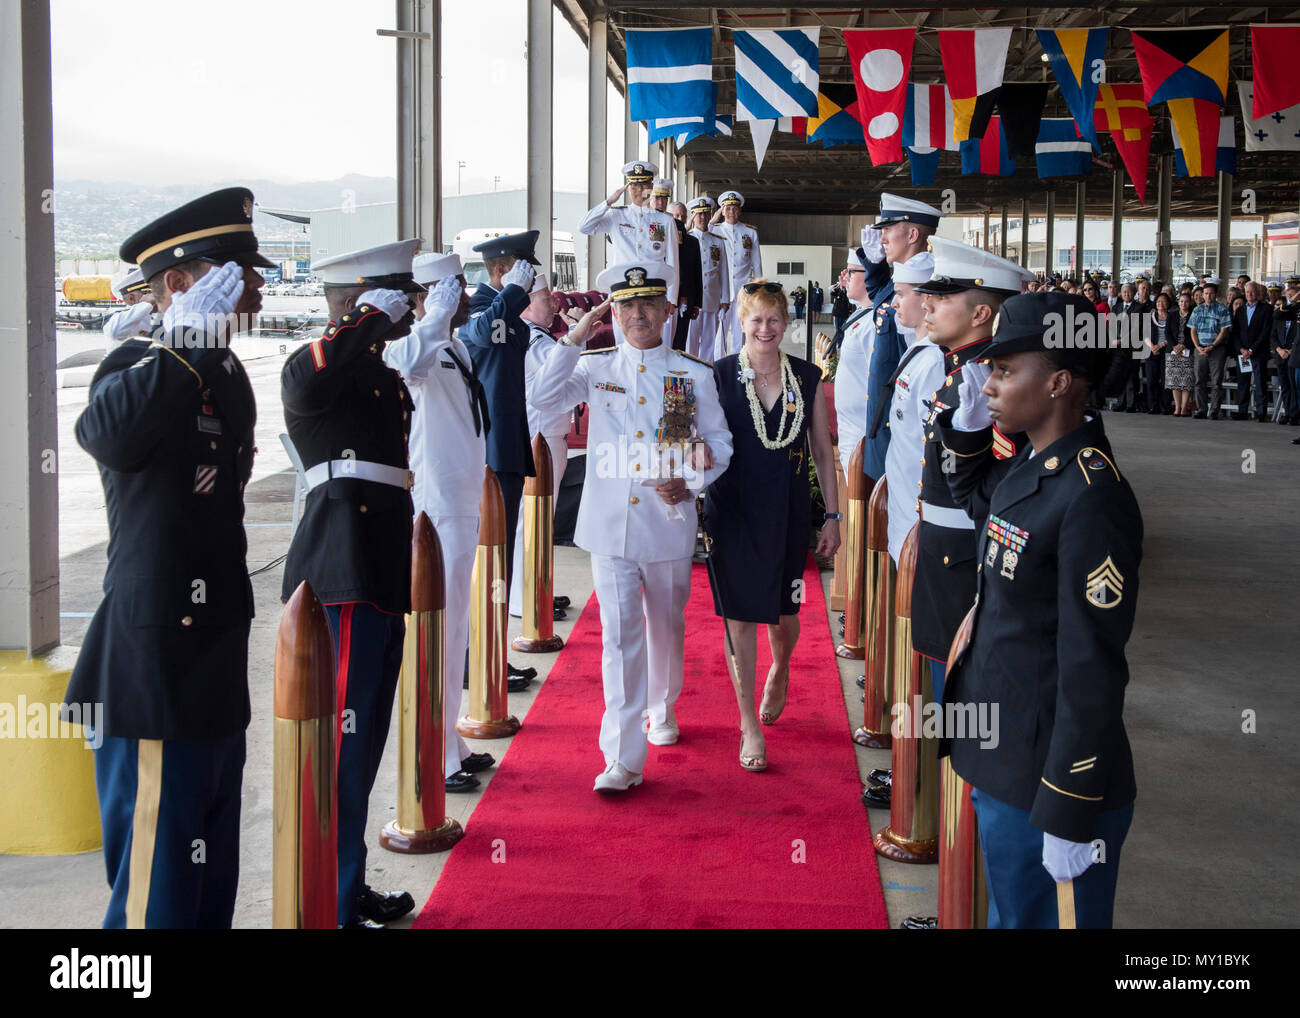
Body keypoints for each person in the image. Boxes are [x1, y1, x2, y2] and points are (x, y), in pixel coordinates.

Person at [65, 187, 268, 928]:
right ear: (181, 284)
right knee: (157, 888)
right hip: (153, 664)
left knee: (207, 872)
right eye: (236, 271)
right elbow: (111, 437)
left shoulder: (219, 368)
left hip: (210, 657)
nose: (254, 286)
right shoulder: (137, 361)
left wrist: (193, 347)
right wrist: (176, 340)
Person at [937, 291, 1142, 929]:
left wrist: (1070, 804)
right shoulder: (1033, 465)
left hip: (1049, 782)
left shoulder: (1091, 495)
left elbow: (1091, 665)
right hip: (1008, 760)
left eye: (1004, 370)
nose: (989, 383)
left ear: (1057, 382)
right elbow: (979, 508)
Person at [530, 262, 733, 790]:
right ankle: (621, 757)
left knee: (665, 625)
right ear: (612, 312)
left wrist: (691, 482)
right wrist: (576, 333)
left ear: (668, 311)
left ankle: (662, 709)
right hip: (608, 527)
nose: (637, 315)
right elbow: (543, 396)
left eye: (648, 304)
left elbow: (718, 443)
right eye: (626, 305)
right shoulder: (594, 367)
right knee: (618, 637)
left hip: (667, 521)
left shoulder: (693, 373)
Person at [282, 239, 423, 929]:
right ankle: (330, 902)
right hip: (341, 573)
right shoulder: (314, 364)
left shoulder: (382, 377)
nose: (410, 306)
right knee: (340, 748)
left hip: (379, 570)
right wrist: (363, 320)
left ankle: (347, 881)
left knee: (361, 748)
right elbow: (310, 387)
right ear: (357, 300)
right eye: (396, 295)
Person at [703, 280, 840, 771]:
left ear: (787, 323)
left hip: (788, 509)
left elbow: (823, 451)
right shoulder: (716, 375)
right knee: (738, 616)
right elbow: (694, 440)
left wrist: (833, 514)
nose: (765, 328)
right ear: (741, 322)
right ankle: (748, 725)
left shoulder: (806, 375)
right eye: (756, 319)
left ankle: (780, 668)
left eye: (774, 319)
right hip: (733, 510)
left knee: (785, 613)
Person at [381, 252, 497, 796]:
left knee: (456, 630)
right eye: (450, 287)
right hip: (437, 504)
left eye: (459, 285)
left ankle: (448, 741)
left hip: (462, 497)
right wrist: (430, 317)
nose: (463, 293)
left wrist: (441, 321)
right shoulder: (416, 344)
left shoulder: (452, 344)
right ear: (425, 295)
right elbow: (404, 363)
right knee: (438, 630)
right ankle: (433, 752)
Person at [459, 230, 543, 689]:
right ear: (501, 269)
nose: (535, 277)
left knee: (501, 562)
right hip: (490, 453)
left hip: (508, 448)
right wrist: (513, 291)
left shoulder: (507, 313)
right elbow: (479, 335)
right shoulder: (479, 310)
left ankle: (489, 654)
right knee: (489, 563)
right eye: (525, 267)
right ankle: (477, 660)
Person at [507, 272, 576, 620]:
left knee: (540, 521)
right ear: (527, 304)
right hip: (540, 441)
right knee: (529, 522)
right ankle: (522, 598)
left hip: (550, 439)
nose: (554, 304)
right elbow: (565, 366)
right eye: (546, 298)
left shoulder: (540, 337)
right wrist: (579, 334)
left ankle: (538, 589)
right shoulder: (534, 341)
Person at [578, 160, 680, 341]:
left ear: (651, 187)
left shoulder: (665, 221)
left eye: (643, 185)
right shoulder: (616, 215)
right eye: (634, 185)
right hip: (623, 292)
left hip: (653, 293)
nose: (639, 190)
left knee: (655, 343)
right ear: (628, 187)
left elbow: (673, 263)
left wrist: (671, 299)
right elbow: (584, 227)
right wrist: (609, 202)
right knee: (623, 344)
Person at [711, 191, 763, 355]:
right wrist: (714, 217)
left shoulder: (749, 232)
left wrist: (759, 290)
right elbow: (701, 232)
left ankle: (738, 365)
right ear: (722, 211)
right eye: (727, 209)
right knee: (720, 333)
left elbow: (757, 263)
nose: (731, 212)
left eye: (734, 209)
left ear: (739, 211)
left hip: (743, 291)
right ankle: (718, 366)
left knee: (740, 332)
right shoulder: (715, 230)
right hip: (721, 292)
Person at [685, 196, 730, 362]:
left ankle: (707, 375)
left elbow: (723, 271)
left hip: (712, 299)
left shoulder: (717, 242)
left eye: (706, 213)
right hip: (691, 300)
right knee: (690, 344)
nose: (703, 217)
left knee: (709, 343)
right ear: (693, 216)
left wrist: (725, 298)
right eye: (699, 214)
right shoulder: (687, 240)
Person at [661, 190, 702, 351]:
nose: (679, 220)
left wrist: (696, 303)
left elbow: (696, 273)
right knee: (663, 341)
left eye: (683, 217)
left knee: (680, 342)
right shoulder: (661, 240)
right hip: (665, 299)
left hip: (686, 300)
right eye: (676, 216)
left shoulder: (692, 241)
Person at [1188, 277, 1233, 419]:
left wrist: (1213, 345)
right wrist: (1198, 347)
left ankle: (1214, 410)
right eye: (1206, 293)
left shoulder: (1222, 310)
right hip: (1200, 348)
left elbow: (1224, 331)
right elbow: (1193, 330)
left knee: (1216, 381)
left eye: (1211, 293)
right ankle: (1201, 409)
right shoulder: (1197, 310)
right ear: (1202, 294)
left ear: (1216, 294)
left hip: (1216, 349)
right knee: (1199, 380)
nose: (1208, 296)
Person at [1232, 281, 1275, 421]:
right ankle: (1242, 411)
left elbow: (1265, 332)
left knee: (1260, 382)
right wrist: (1242, 349)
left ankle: (1261, 412)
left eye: (1252, 292)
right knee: (1243, 382)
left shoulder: (1266, 309)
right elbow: (1236, 332)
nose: (1250, 294)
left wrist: (1252, 349)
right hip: (1243, 353)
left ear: (1257, 293)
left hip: (1258, 352)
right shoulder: (1240, 310)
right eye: (1247, 292)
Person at [101, 265, 157, 349]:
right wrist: (146, 304)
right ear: (131, 298)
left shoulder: (159, 316)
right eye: (149, 293)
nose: (156, 297)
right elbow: (115, 333)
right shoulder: (121, 318)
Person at [1272, 280, 1299, 428]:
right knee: (1285, 386)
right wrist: (1279, 350)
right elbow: (1273, 333)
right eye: (1288, 296)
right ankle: (1289, 412)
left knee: (1294, 385)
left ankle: (1295, 414)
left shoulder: (1297, 312)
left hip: (1294, 355)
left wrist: (1291, 350)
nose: (1291, 299)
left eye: (1293, 296)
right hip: (1281, 354)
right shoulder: (1284, 313)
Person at [1144, 292, 1175, 414]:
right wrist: (1152, 346)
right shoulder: (1150, 316)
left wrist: (1161, 345)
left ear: (1168, 303)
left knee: (1165, 379)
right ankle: (1152, 405)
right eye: (1158, 302)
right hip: (1152, 351)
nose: (1160, 304)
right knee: (1151, 379)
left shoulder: (1172, 317)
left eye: (1163, 301)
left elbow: (1174, 335)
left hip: (1166, 350)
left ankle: (1165, 406)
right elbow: (1145, 334)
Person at [1166, 293, 1197, 416]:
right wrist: (1175, 345)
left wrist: (1184, 345)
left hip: (1187, 350)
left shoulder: (1193, 315)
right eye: (1181, 301)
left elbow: (1194, 333)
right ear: (1178, 302)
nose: (1184, 304)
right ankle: (1177, 407)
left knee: (1186, 382)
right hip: (1173, 350)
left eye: (1186, 301)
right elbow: (1167, 332)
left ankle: (1184, 407)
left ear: (1190, 303)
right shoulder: (1172, 315)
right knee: (1175, 382)